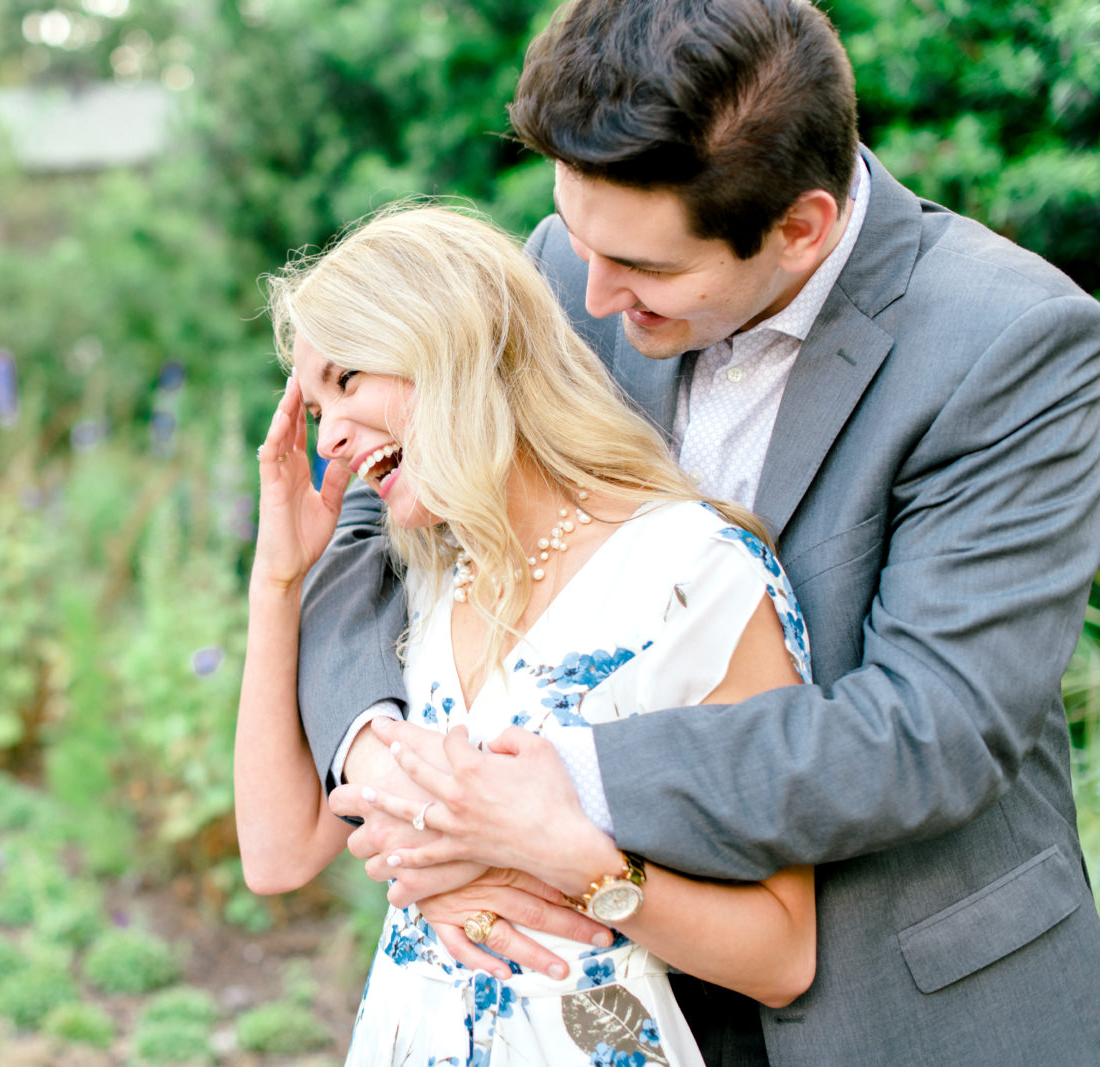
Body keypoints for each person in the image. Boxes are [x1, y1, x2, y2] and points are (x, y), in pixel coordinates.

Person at [303, 0, 1100, 1063]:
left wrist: (558, 787)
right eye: (575, 235)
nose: (588, 290)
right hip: (605, 1000)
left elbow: (933, 726)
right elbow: (367, 522)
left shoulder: (1011, 345)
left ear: (800, 227)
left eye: (645, 270)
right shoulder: (569, 266)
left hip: (905, 998)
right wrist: (396, 771)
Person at [237, 204, 818, 1065]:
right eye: (316, 407)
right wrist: (278, 577)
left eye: (348, 380)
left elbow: (782, 954)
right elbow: (279, 855)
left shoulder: (698, 571)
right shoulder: (433, 574)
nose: (333, 439)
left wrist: (578, 868)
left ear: (449, 342)